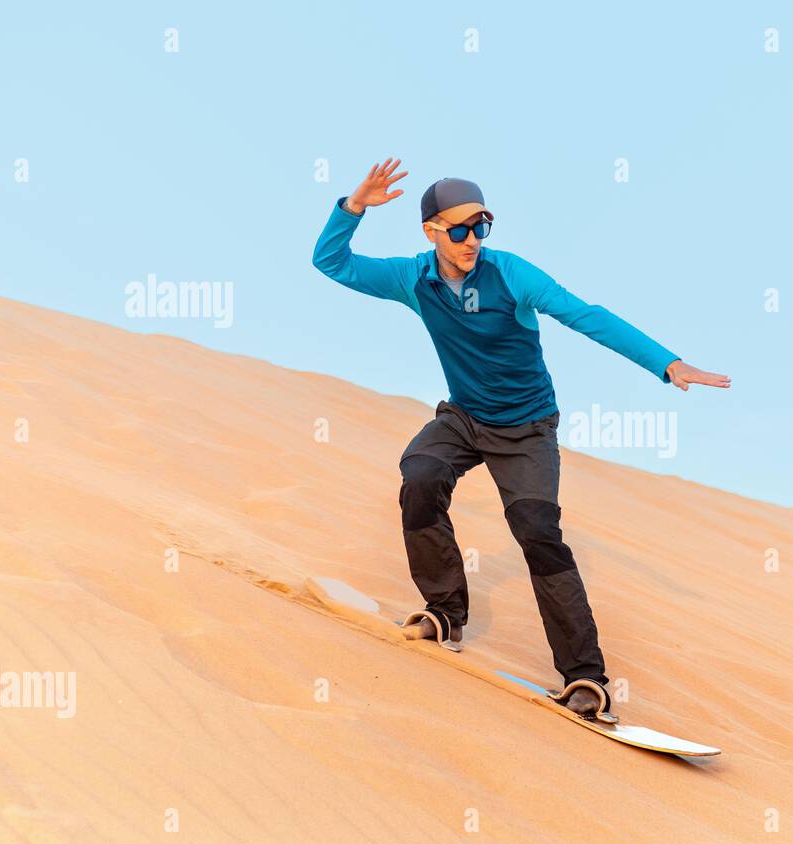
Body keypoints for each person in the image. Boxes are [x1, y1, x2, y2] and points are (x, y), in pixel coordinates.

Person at [312, 157, 730, 717]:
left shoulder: (511, 274)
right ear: (432, 231)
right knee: (420, 474)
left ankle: (586, 677)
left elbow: (587, 315)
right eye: (458, 230)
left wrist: (667, 363)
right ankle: (444, 612)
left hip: (527, 428)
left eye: (480, 227)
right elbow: (331, 262)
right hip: (464, 418)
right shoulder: (413, 278)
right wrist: (354, 206)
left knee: (537, 531)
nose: (471, 241)